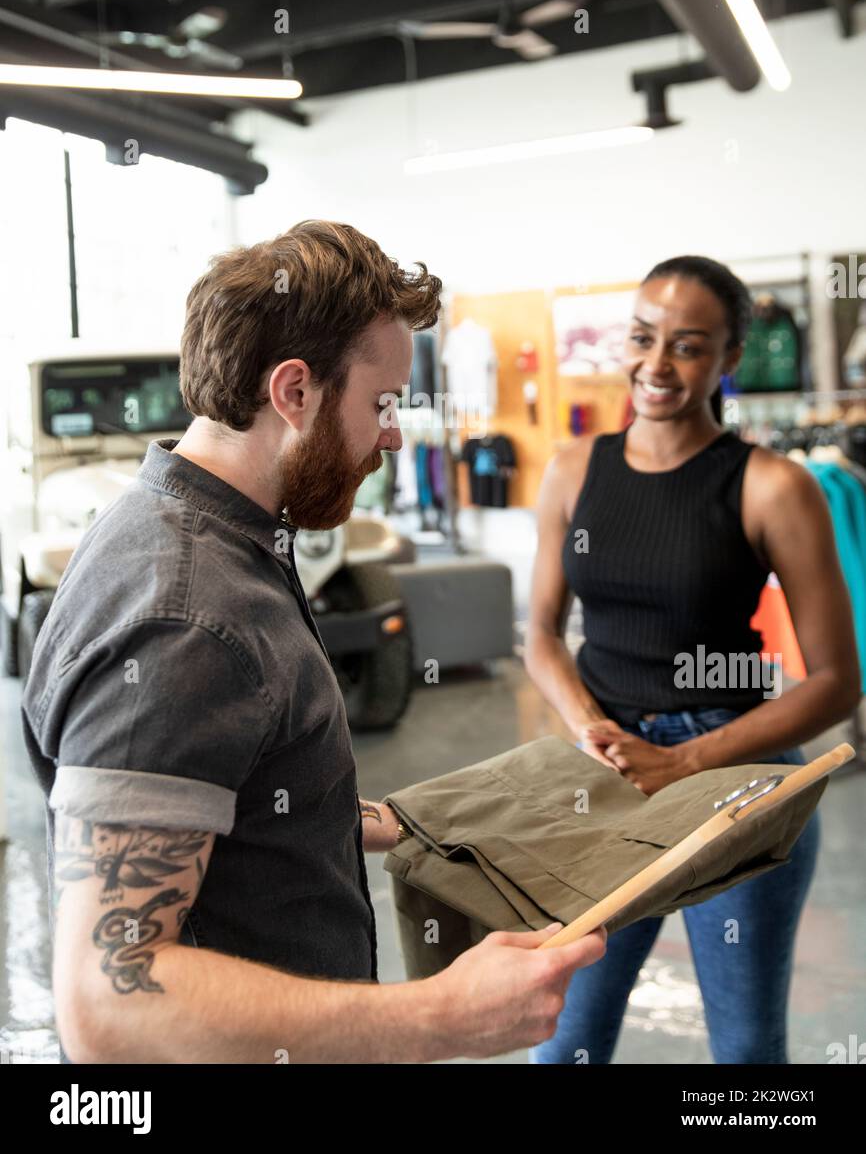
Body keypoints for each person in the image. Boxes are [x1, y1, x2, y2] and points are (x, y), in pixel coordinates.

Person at [22, 219, 606, 1065]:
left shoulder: (207, 528)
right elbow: (110, 1000)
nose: (394, 436)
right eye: (381, 404)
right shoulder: (186, 618)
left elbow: (233, 781)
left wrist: (361, 819)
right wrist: (441, 1015)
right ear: (293, 392)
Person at [525, 255, 860, 1065]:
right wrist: (593, 730)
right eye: (643, 338)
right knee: (562, 1041)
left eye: (689, 345)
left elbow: (837, 683)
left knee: (744, 1056)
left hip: (733, 779)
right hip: (604, 773)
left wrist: (680, 762)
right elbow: (537, 634)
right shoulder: (574, 470)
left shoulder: (772, 486)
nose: (657, 364)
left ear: (728, 359)